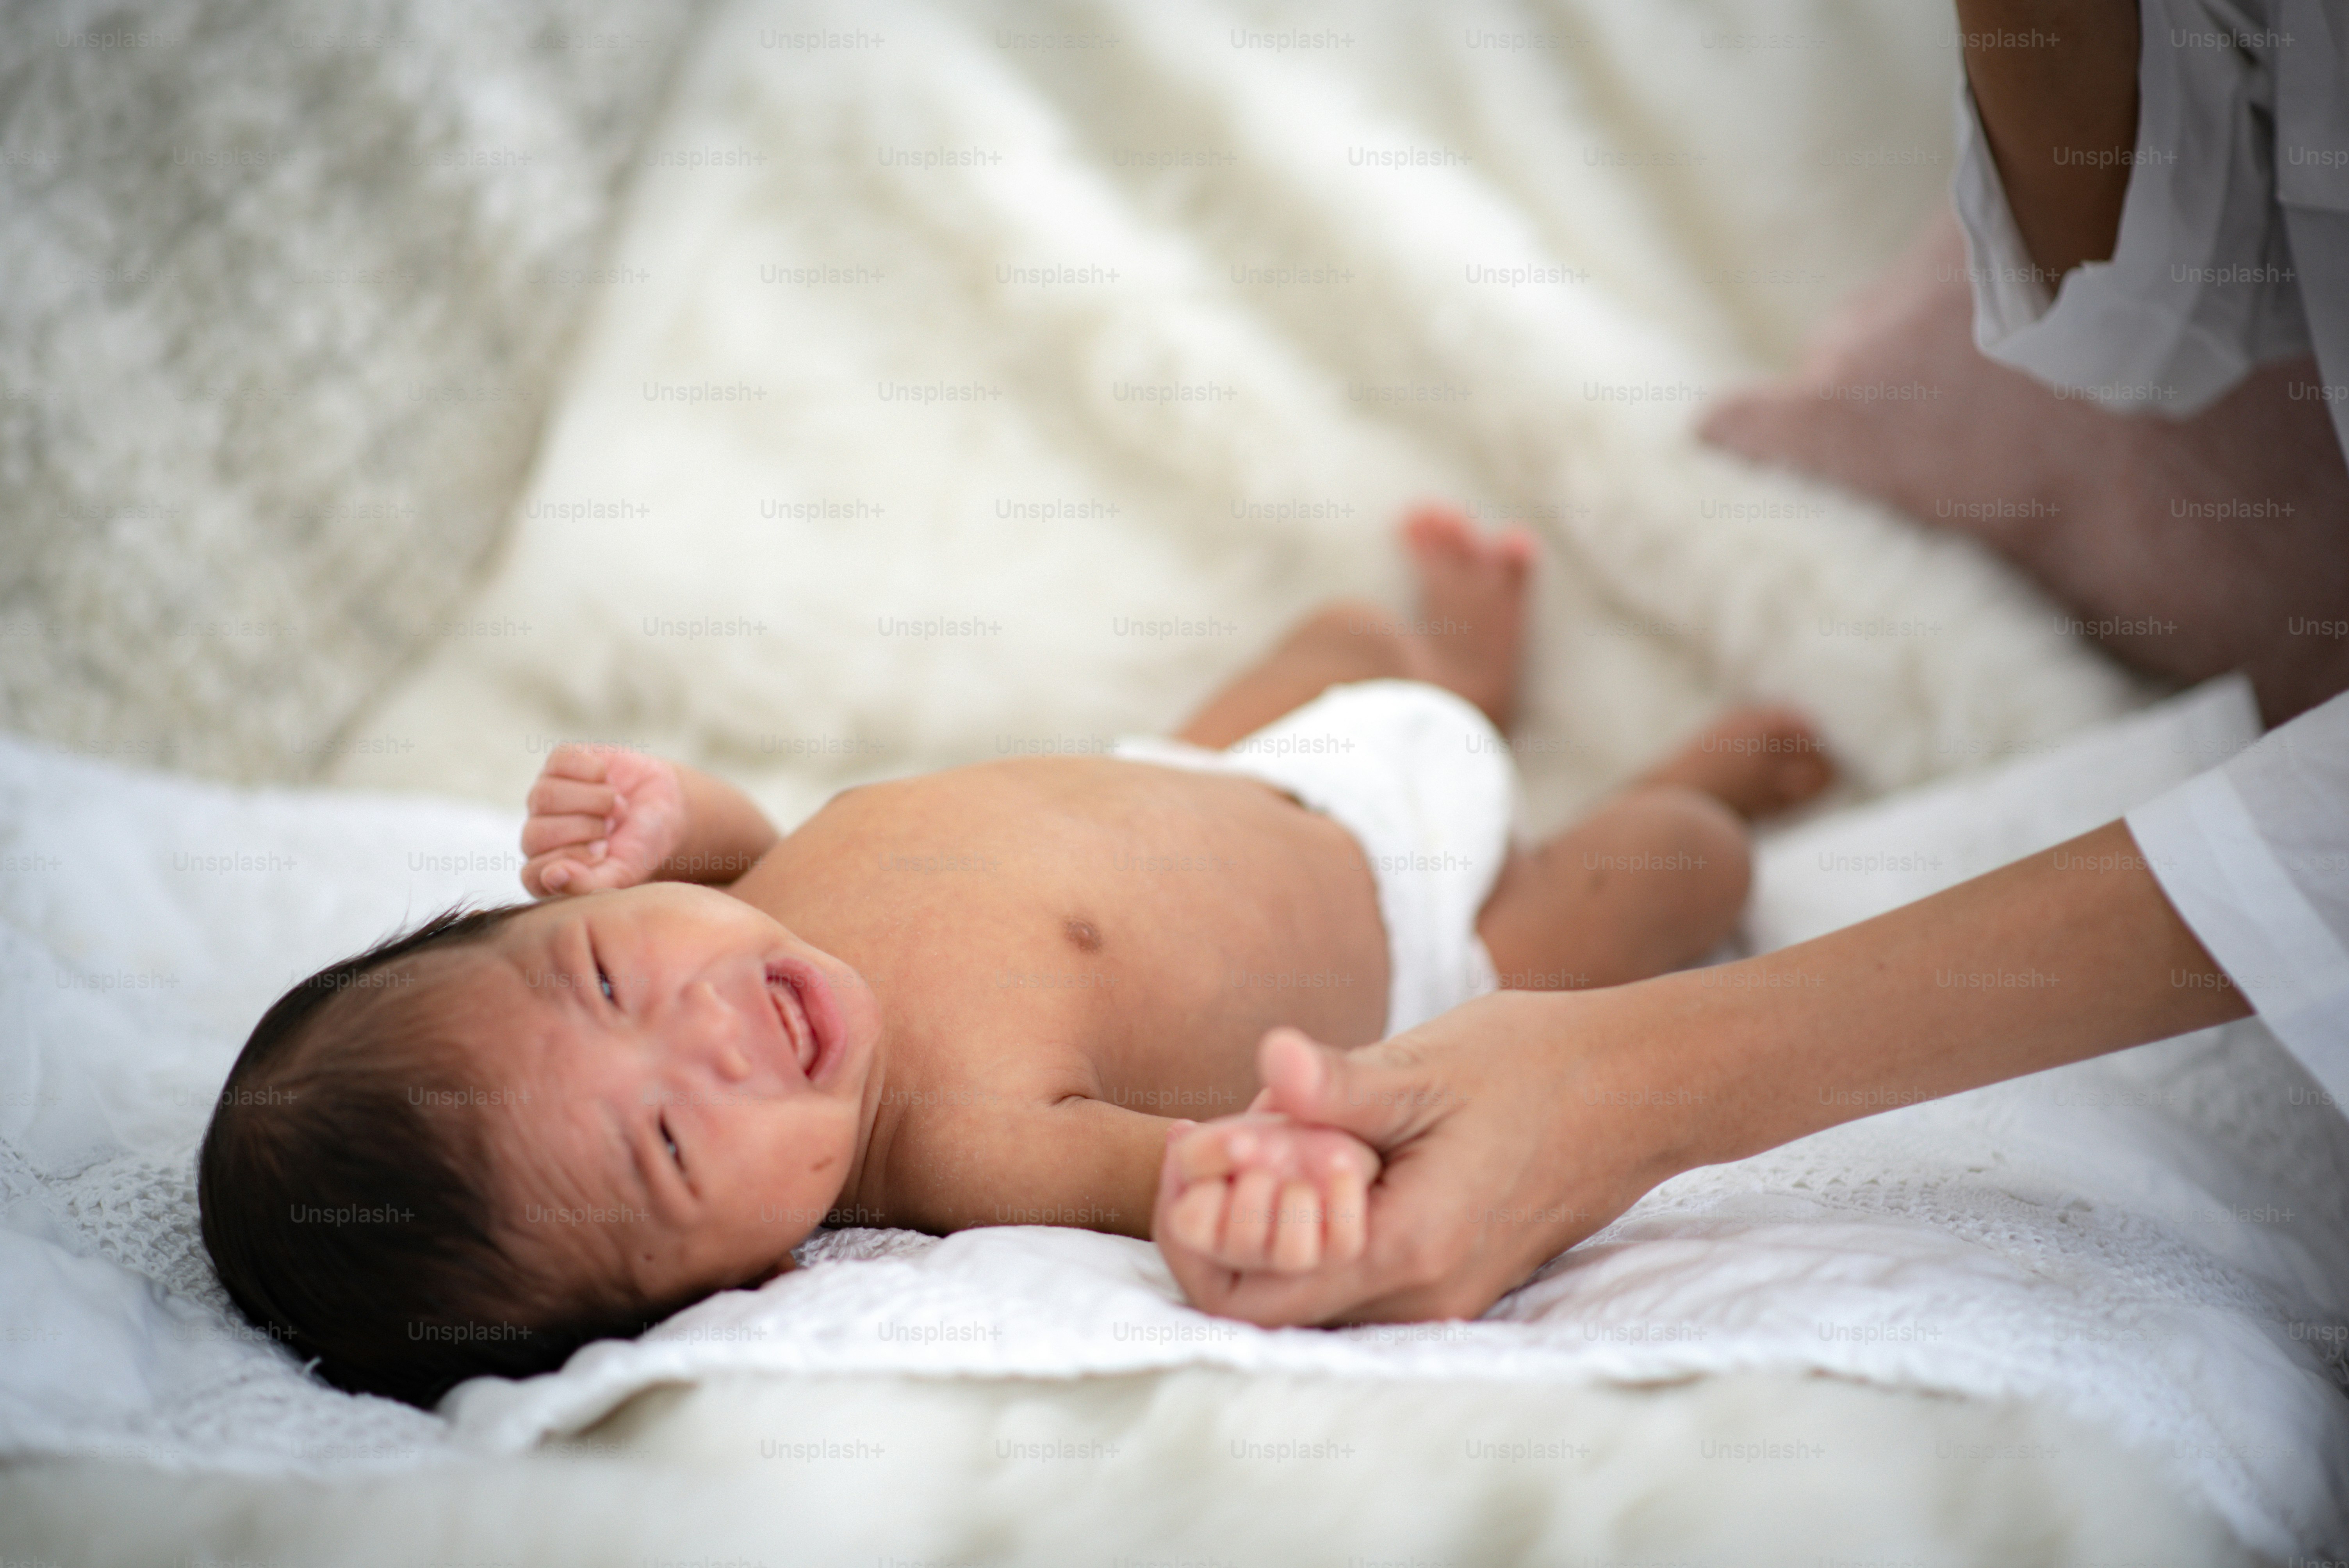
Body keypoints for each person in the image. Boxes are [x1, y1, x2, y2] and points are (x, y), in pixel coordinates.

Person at [1154, 0, 2349, 1325]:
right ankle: (1467, 703)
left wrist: (1247, 1161)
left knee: (1644, 860)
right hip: (1255, 826)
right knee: (1369, 688)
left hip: (1278, 840)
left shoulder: (929, 1052)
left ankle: (1603, 755)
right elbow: (2150, 304)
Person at [194, 508, 1835, 1408]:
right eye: (675, 1138)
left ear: (563, 912)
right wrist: (1255, 1195)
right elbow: (1199, 1161)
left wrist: (666, 811)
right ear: (732, 1283)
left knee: (1343, 641)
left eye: (605, 973)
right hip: (1427, 934)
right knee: (1679, 869)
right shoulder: (968, 1135)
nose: (710, 1024)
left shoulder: (749, 908)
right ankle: (1661, 784)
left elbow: (734, 850)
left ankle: (1459, 680)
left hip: (1205, 769)